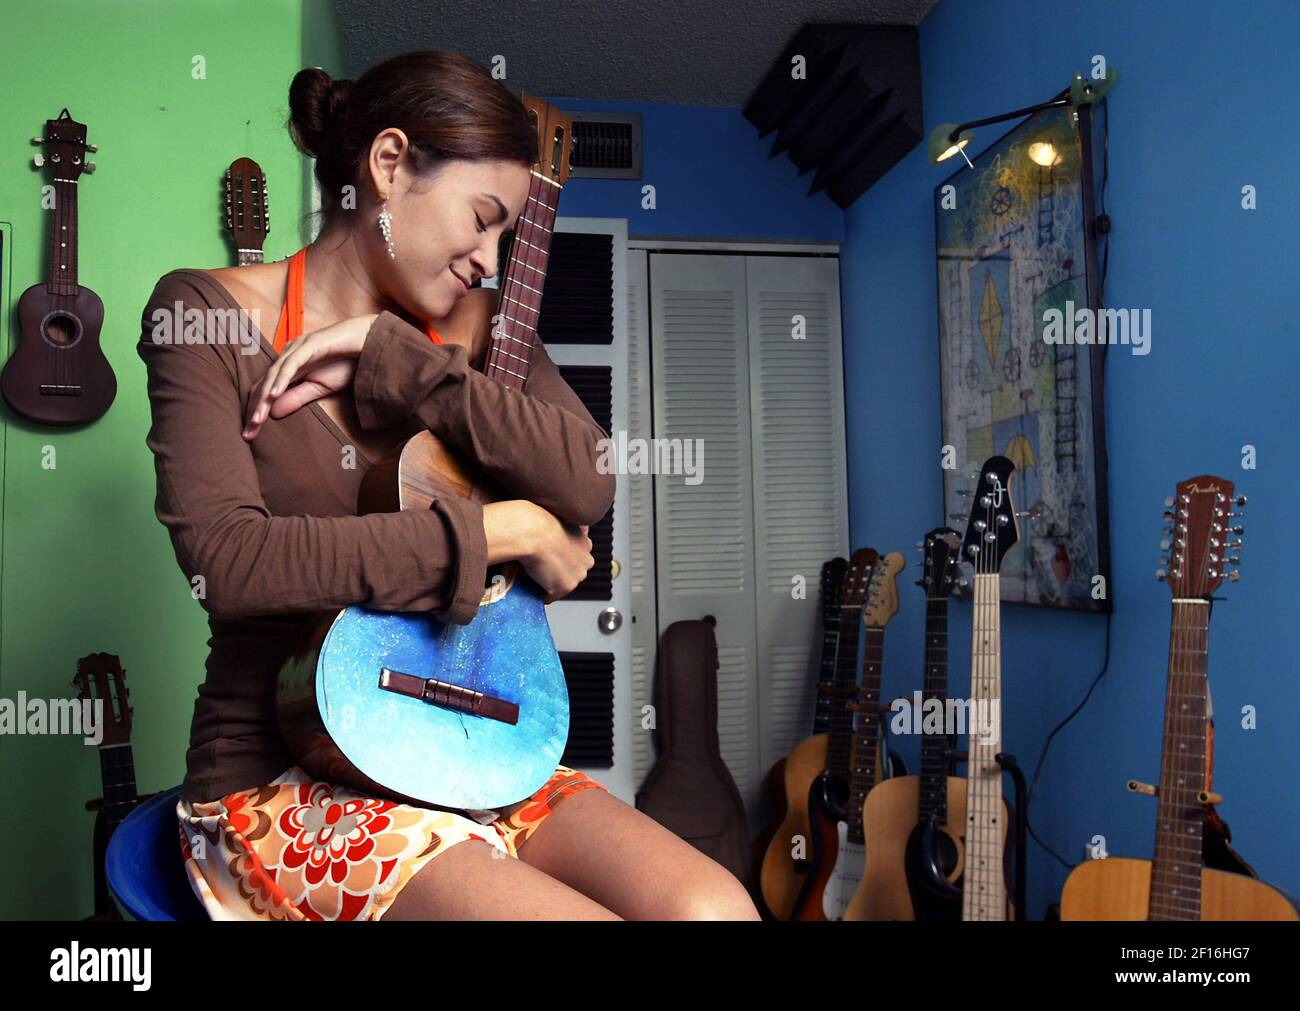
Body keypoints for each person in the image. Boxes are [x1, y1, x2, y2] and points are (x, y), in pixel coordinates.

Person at [138, 49, 760, 921]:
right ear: (388, 167)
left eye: (507, 233)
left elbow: (588, 483)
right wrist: (501, 533)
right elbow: (230, 559)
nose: (488, 258)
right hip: (282, 771)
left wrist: (409, 366)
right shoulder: (203, 315)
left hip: (474, 750)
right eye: (481, 217)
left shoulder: (475, 332)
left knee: (715, 909)